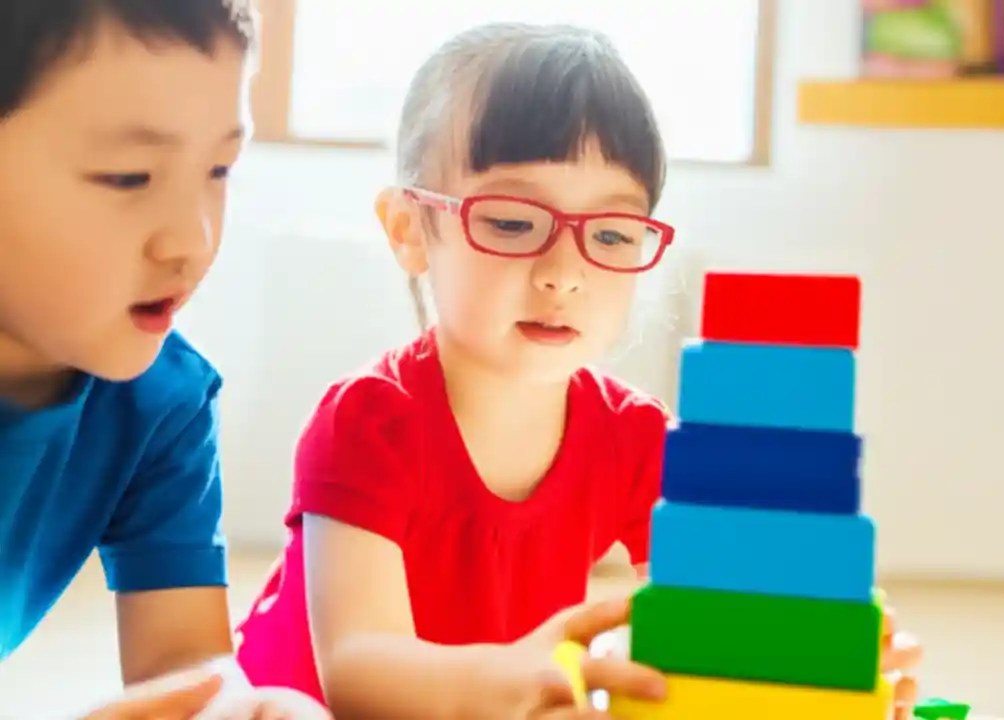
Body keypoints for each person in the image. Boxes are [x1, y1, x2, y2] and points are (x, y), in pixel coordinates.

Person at [234, 21, 922, 718]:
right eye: (510, 223)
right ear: (412, 230)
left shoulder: (637, 437)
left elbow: (721, 622)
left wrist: (824, 672)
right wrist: (524, 678)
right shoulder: (367, 421)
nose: (564, 274)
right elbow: (359, 675)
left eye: (613, 234)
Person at [0, 1, 327, 717]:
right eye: (129, 177)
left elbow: (185, 673)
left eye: (219, 168)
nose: (193, 239)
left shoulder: (159, 402)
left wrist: (248, 710)